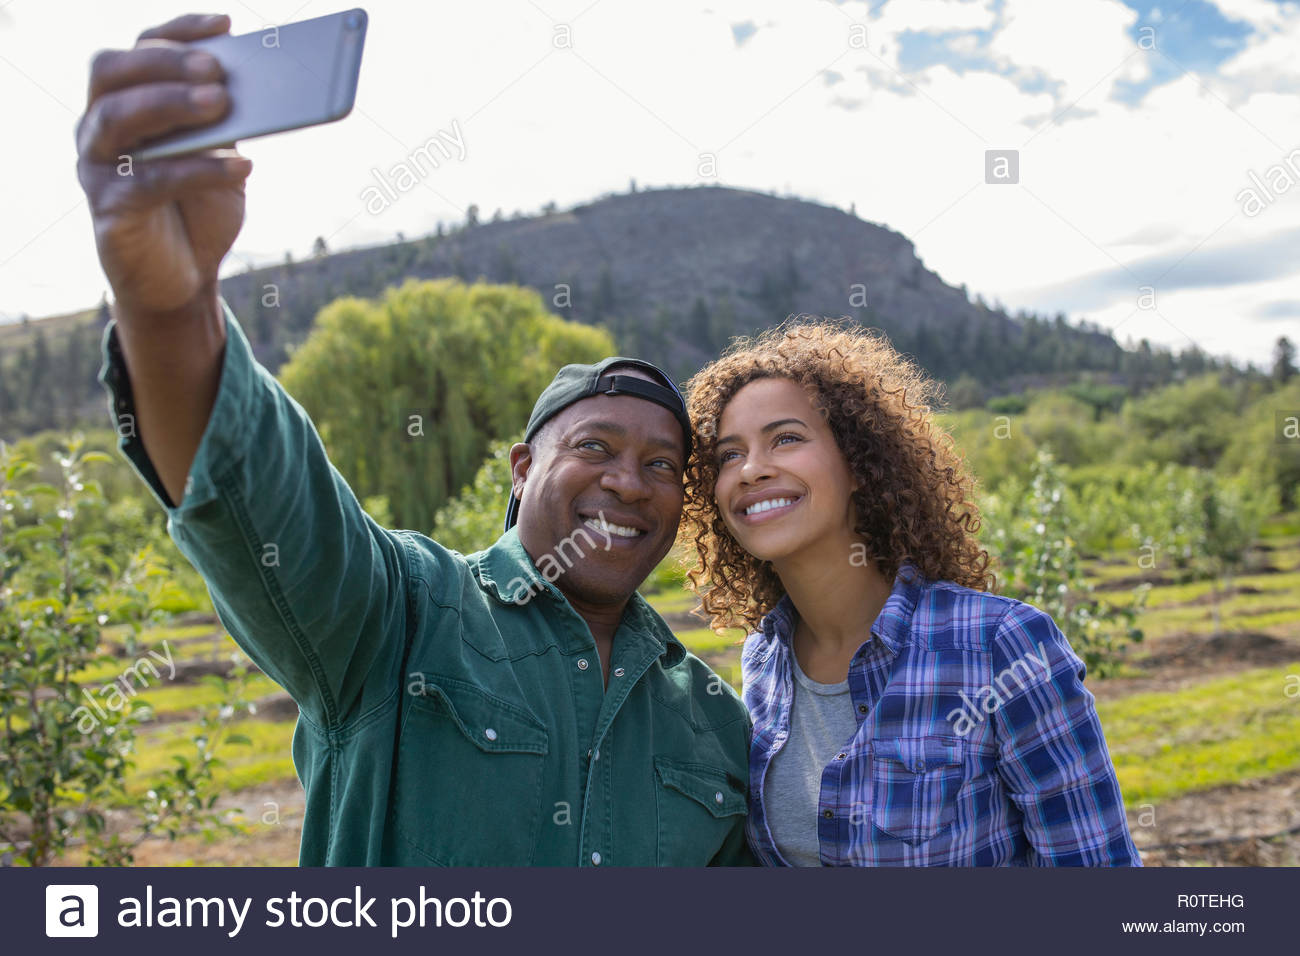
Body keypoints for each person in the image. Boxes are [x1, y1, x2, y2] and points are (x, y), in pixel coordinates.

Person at [76, 12, 753, 866]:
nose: (629, 481)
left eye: (663, 465)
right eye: (595, 448)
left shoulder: (715, 720)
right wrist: (170, 306)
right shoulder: (399, 611)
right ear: (522, 464)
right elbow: (260, 496)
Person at [679, 320, 1142, 866]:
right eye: (729, 454)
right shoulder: (764, 661)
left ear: (858, 464)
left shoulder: (1004, 646)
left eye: (787, 438)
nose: (753, 469)